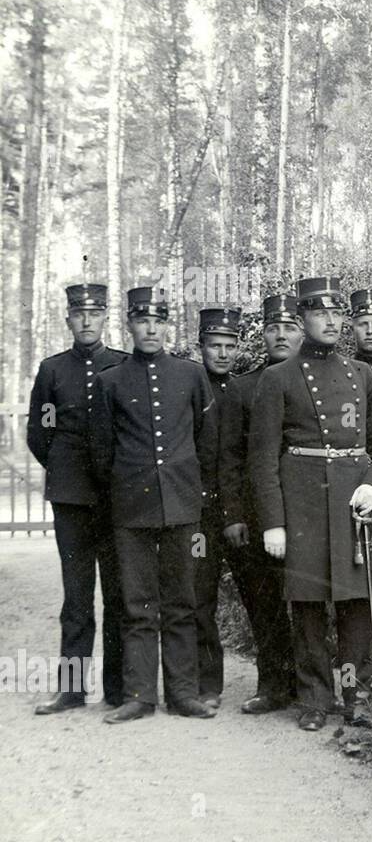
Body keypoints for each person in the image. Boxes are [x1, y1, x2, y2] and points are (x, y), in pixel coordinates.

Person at [248, 276, 372, 731]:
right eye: (321, 314)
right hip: (303, 504)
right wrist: (273, 522)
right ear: (303, 320)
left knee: (356, 604)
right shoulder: (278, 378)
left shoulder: (361, 375)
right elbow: (262, 459)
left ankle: (359, 695)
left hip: (353, 503)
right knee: (309, 604)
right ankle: (315, 698)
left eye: (338, 314)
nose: (332, 322)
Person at [91, 285, 217, 723]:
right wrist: (127, 484)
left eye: (158, 321)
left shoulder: (191, 375)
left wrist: (187, 482)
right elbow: (101, 450)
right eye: (142, 321)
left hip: (181, 503)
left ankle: (182, 693)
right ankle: (140, 694)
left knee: (182, 600)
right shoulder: (110, 381)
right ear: (129, 324)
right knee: (136, 602)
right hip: (131, 507)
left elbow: (207, 439)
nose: (150, 329)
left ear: (168, 325)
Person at [27, 282, 127, 713]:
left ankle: (120, 689)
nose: (87, 321)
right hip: (70, 498)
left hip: (116, 498)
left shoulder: (121, 366)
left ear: (106, 318)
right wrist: (66, 471)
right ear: (68, 319)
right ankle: (71, 689)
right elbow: (39, 432)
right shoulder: (53, 371)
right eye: (78, 314)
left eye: (95, 314)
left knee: (120, 594)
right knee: (76, 596)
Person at [218, 294, 300, 714]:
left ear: (302, 332)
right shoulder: (242, 387)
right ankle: (272, 684)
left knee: (308, 601)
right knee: (264, 602)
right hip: (255, 516)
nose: (281, 335)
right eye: (273, 328)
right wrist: (233, 514)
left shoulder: (317, 383)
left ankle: (310, 684)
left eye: (289, 327)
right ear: (263, 335)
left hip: (307, 514)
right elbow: (229, 456)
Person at [191, 305, 243, 707]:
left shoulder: (245, 390)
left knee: (262, 597)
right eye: (214, 346)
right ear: (201, 347)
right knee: (199, 596)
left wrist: (237, 512)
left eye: (229, 345)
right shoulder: (190, 388)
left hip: (242, 516)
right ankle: (207, 684)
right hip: (201, 515)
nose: (222, 354)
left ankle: (280, 683)